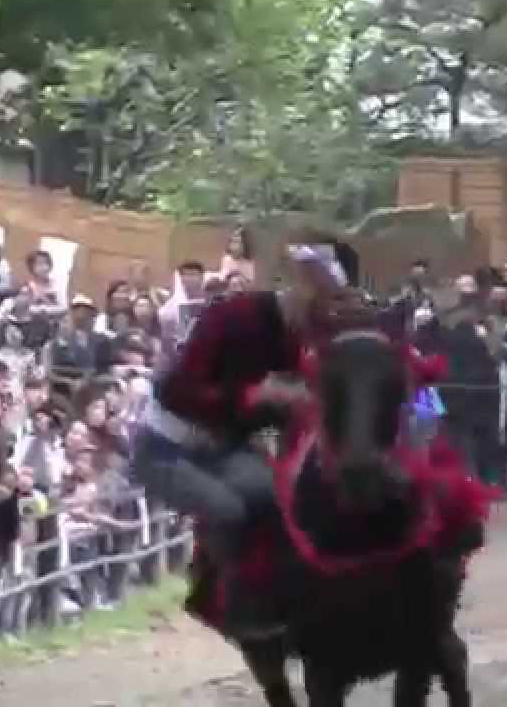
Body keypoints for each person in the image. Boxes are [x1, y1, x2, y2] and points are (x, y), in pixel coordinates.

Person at [131, 237, 358, 639]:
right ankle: (226, 600)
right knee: (229, 510)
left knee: (278, 497)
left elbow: (279, 413)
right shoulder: (232, 316)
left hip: (222, 447)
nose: (325, 313)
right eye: (322, 299)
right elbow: (177, 390)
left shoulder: (296, 343)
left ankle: (277, 597)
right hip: (166, 448)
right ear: (301, 288)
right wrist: (254, 395)